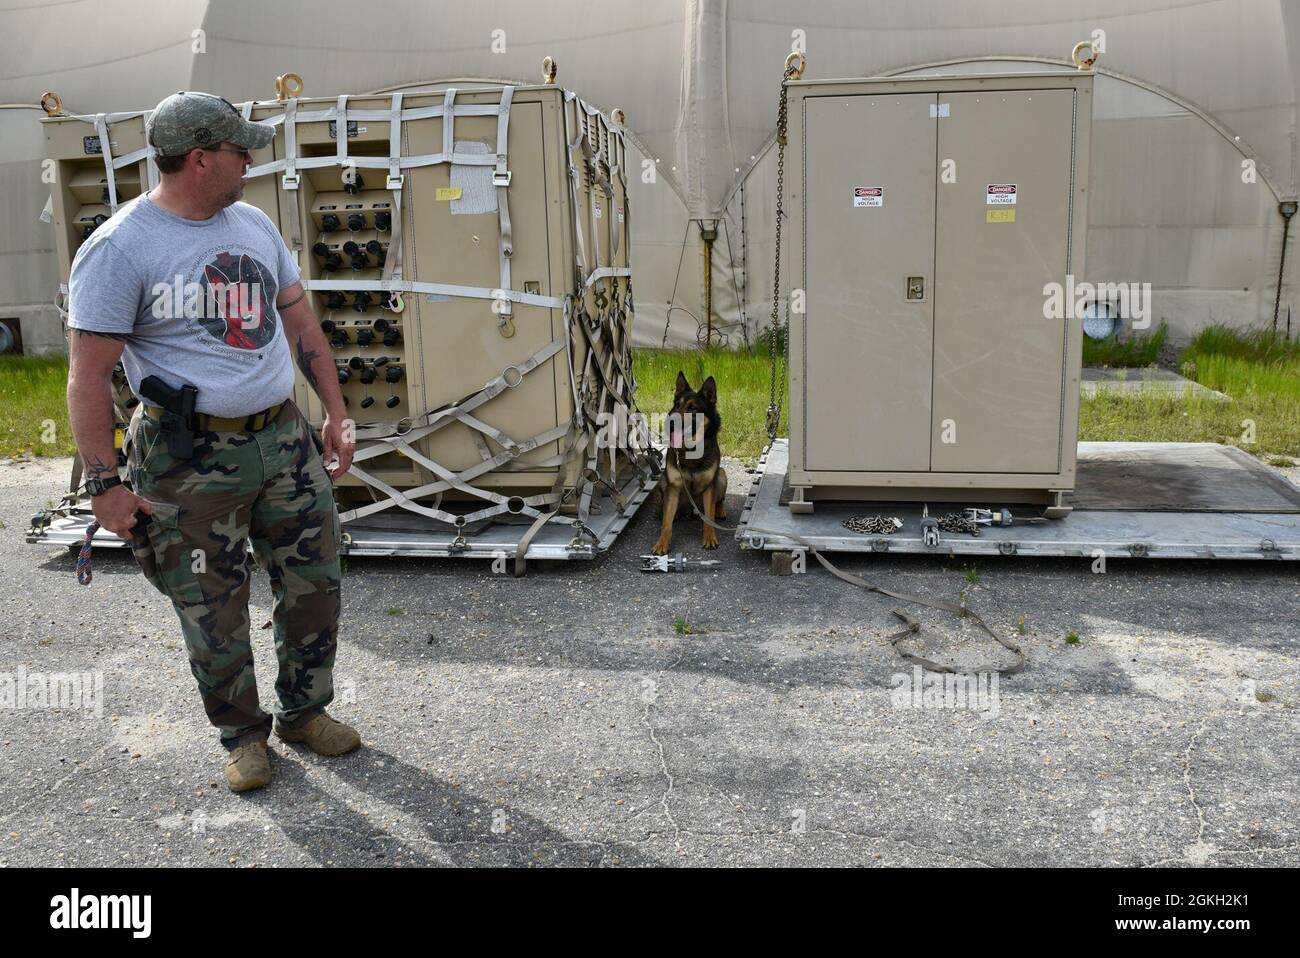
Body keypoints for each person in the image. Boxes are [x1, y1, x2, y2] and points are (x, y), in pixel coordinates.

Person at [66, 91, 360, 793]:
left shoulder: (253, 224)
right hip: (186, 456)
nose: (250, 158)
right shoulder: (120, 248)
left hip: (282, 440)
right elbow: (88, 377)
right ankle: (242, 735)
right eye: (238, 149)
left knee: (313, 584)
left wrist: (336, 414)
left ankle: (303, 712)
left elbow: (301, 328)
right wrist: (104, 484)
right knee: (213, 605)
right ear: (200, 159)